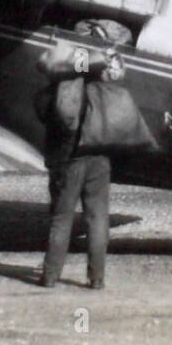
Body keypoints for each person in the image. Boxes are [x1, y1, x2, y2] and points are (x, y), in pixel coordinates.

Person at [38, 40, 113, 290]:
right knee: (98, 217)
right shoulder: (103, 89)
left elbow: (42, 113)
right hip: (100, 160)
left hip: (69, 159)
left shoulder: (62, 90)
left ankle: (50, 276)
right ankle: (97, 279)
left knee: (61, 218)